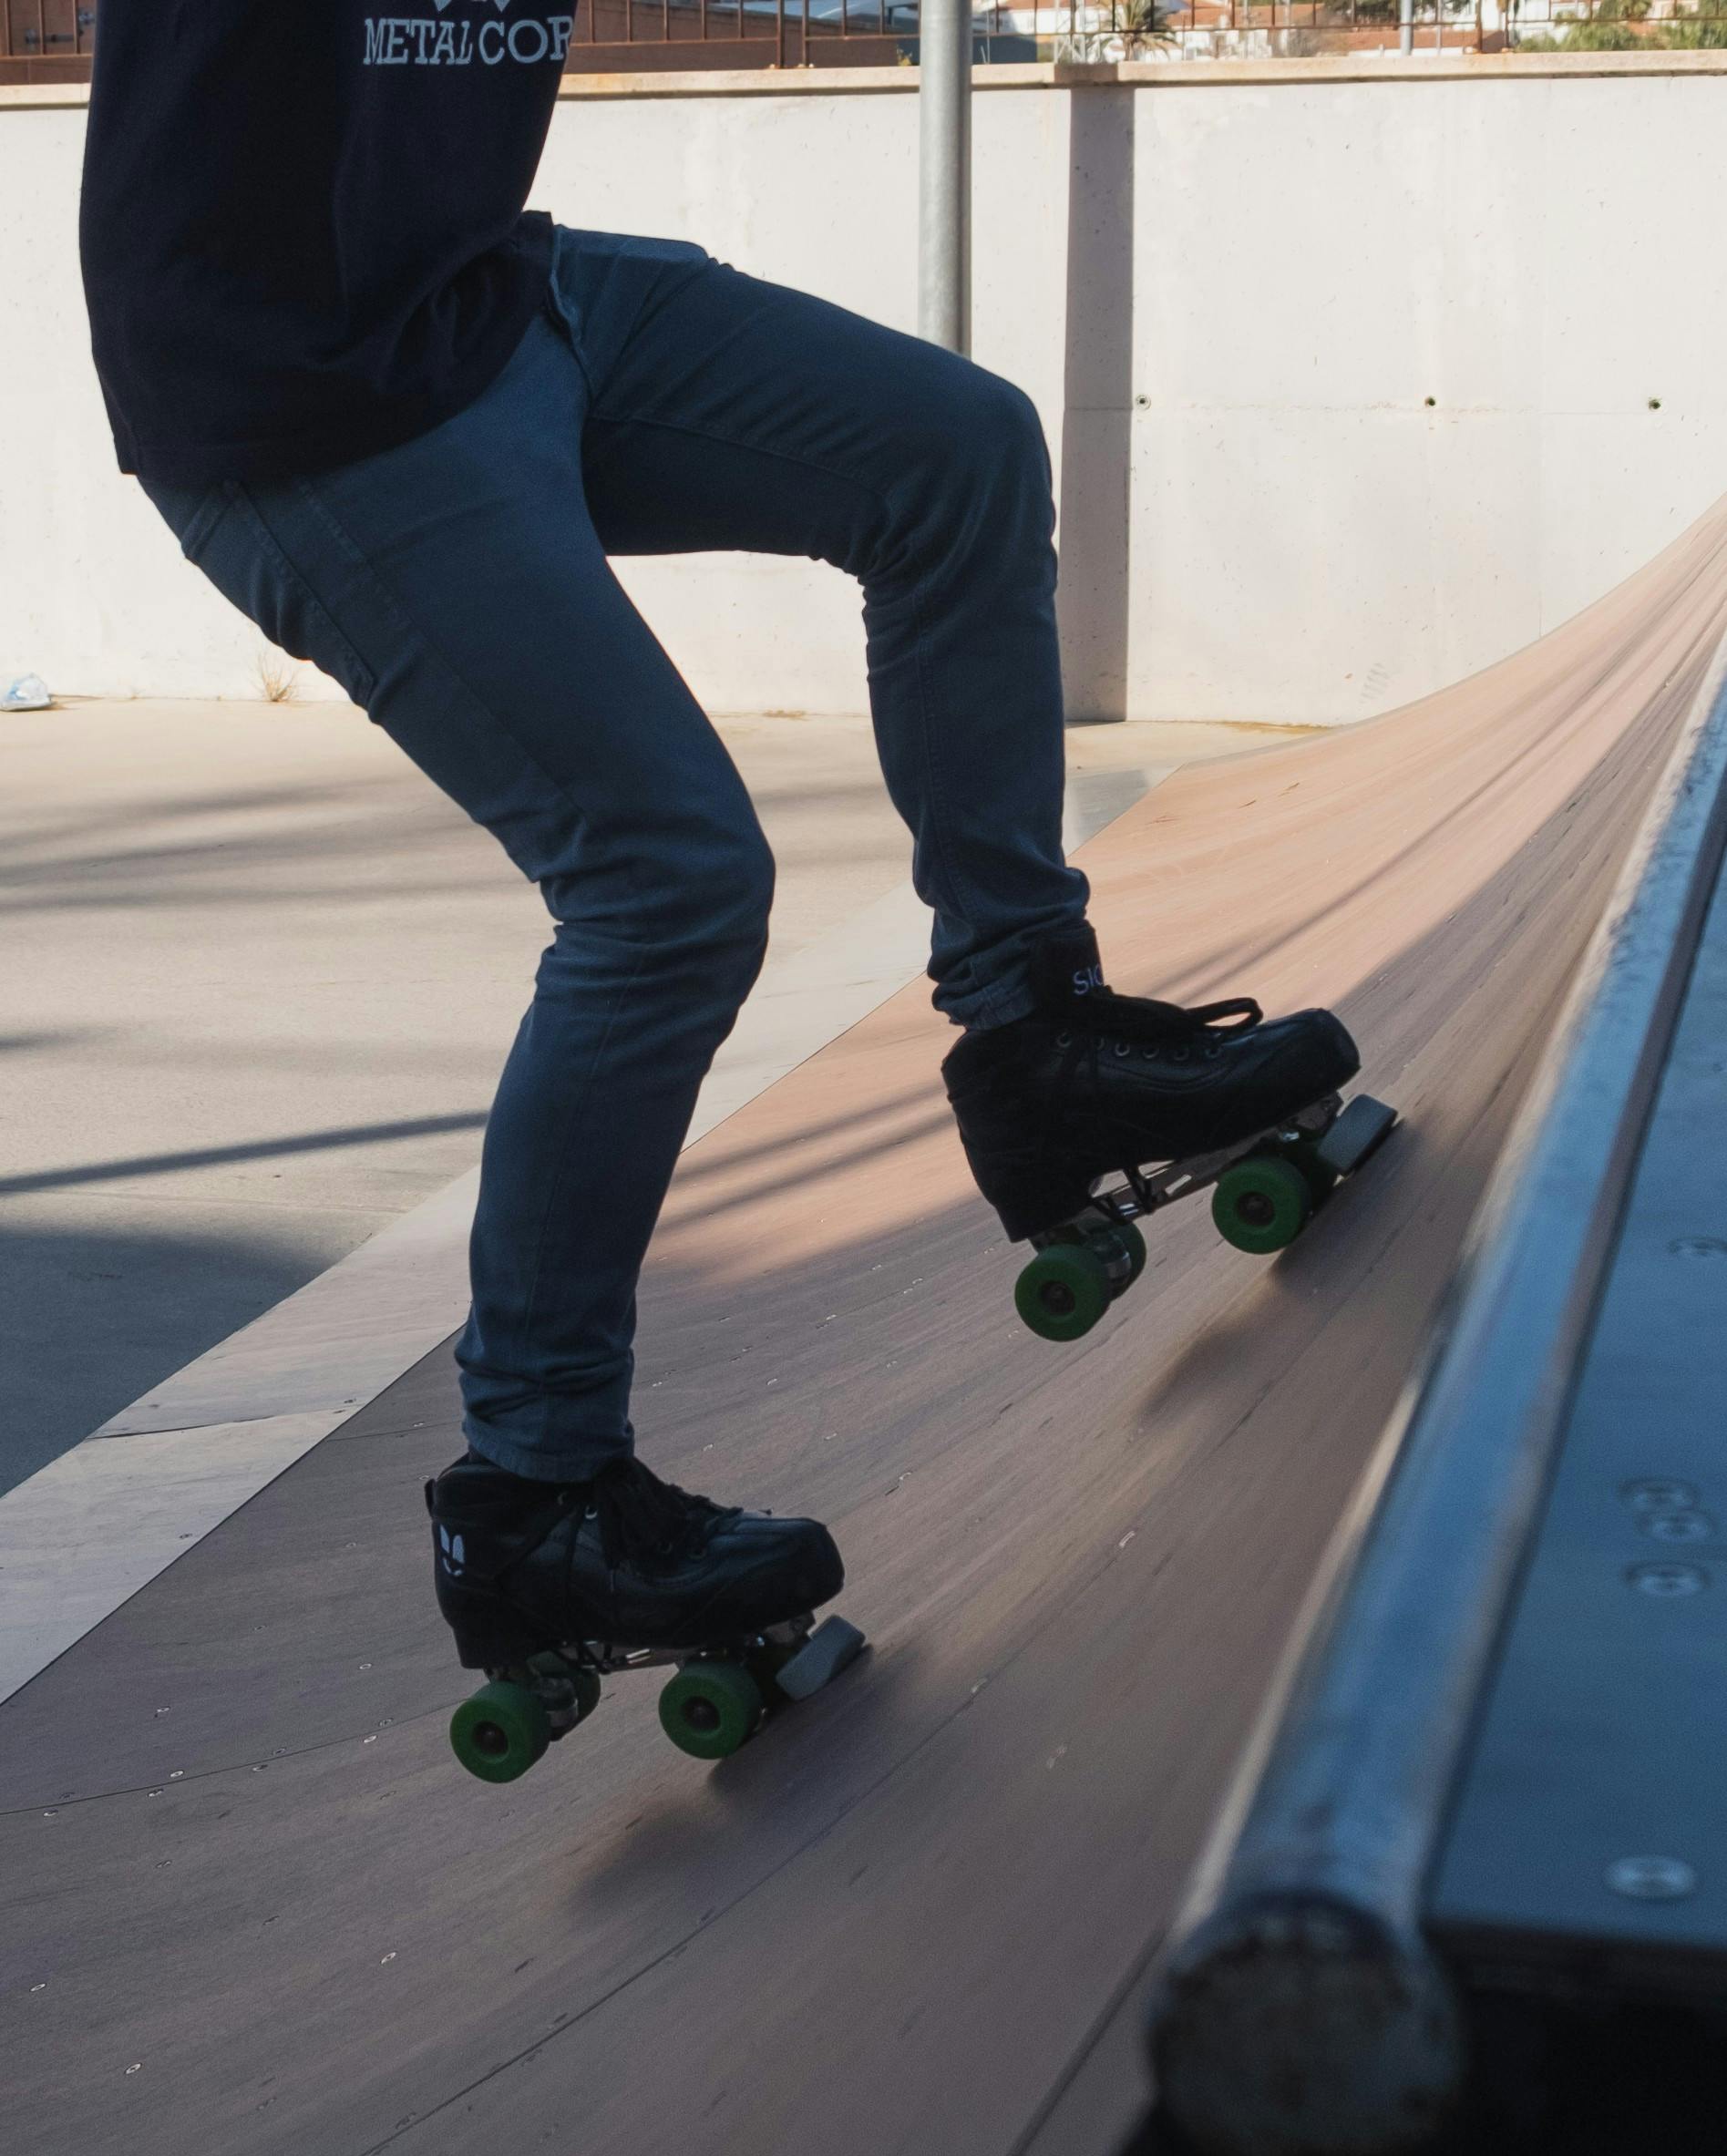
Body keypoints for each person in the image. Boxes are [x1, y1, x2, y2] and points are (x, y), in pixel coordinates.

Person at [78, 3, 1357, 1683]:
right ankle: (536, 1488)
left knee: (951, 453)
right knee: (665, 885)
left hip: (491, 299)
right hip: (296, 397)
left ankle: (1039, 1041)